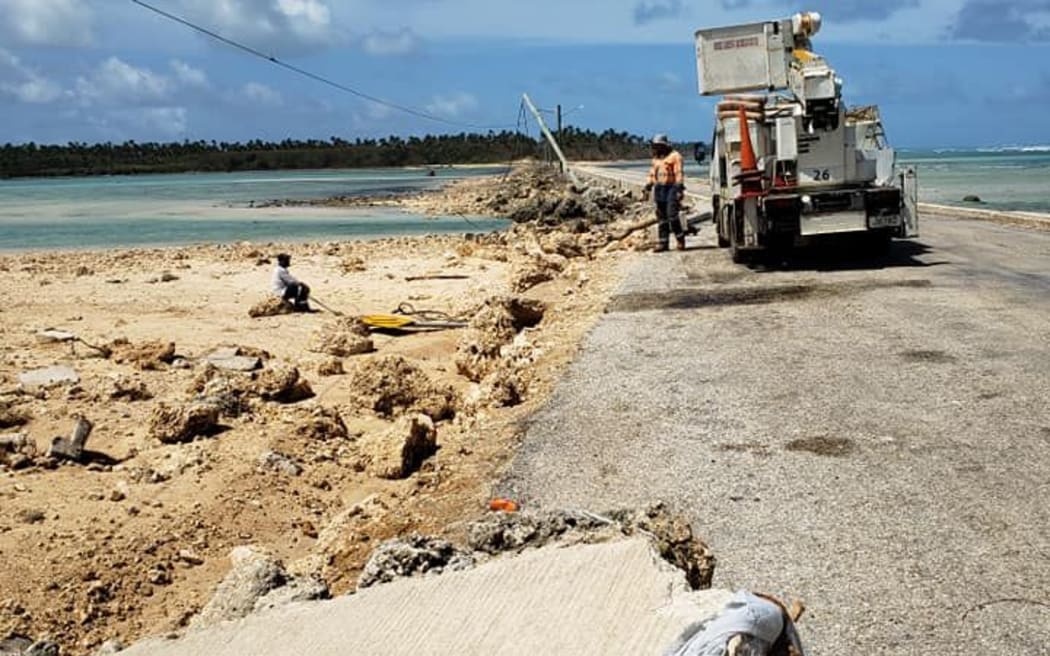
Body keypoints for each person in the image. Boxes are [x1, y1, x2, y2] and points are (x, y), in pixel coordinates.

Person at [642, 134, 686, 252]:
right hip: (659, 188)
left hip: (671, 187)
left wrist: (679, 188)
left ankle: (680, 239)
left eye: (658, 146)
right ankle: (663, 243)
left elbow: (679, 173)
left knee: (672, 215)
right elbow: (652, 174)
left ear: (664, 145)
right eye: (655, 146)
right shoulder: (656, 159)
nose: (656, 148)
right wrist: (648, 186)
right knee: (661, 217)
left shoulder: (675, 156)